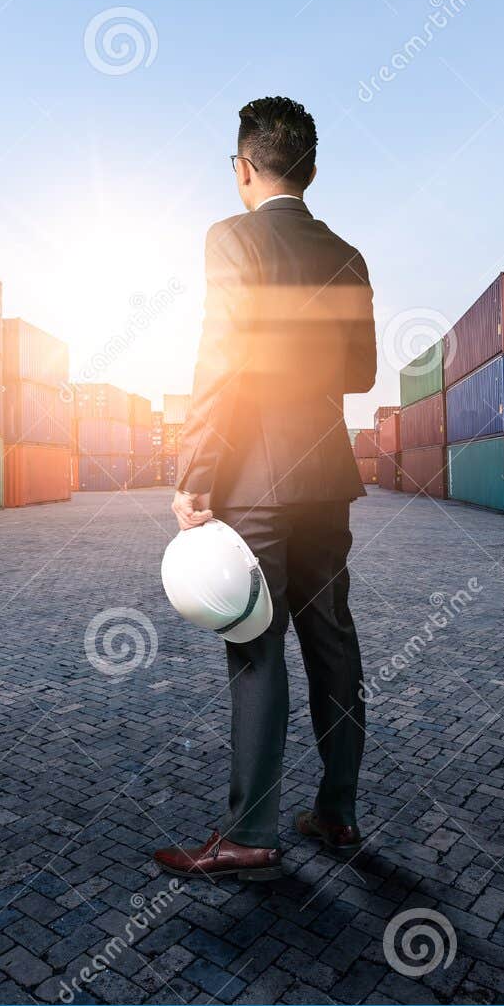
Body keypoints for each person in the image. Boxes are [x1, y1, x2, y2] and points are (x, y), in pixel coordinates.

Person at [155, 96, 376, 881]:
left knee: (254, 649)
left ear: (244, 169)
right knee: (333, 642)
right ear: (311, 169)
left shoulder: (232, 237)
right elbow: (362, 373)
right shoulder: (348, 253)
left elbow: (221, 359)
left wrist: (195, 475)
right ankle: (338, 813)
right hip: (326, 475)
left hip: (254, 477)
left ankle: (250, 833)